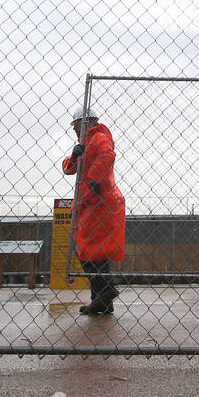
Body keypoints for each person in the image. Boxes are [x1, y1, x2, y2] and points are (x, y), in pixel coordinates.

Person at [61, 105, 126, 315]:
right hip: (91, 202)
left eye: (75, 124)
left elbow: (107, 156)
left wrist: (93, 181)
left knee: (88, 252)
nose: (73, 129)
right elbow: (69, 170)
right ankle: (102, 302)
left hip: (98, 202)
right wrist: (73, 156)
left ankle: (106, 291)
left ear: (85, 121)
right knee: (95, 253)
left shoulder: (99, 138)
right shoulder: (85, 143)